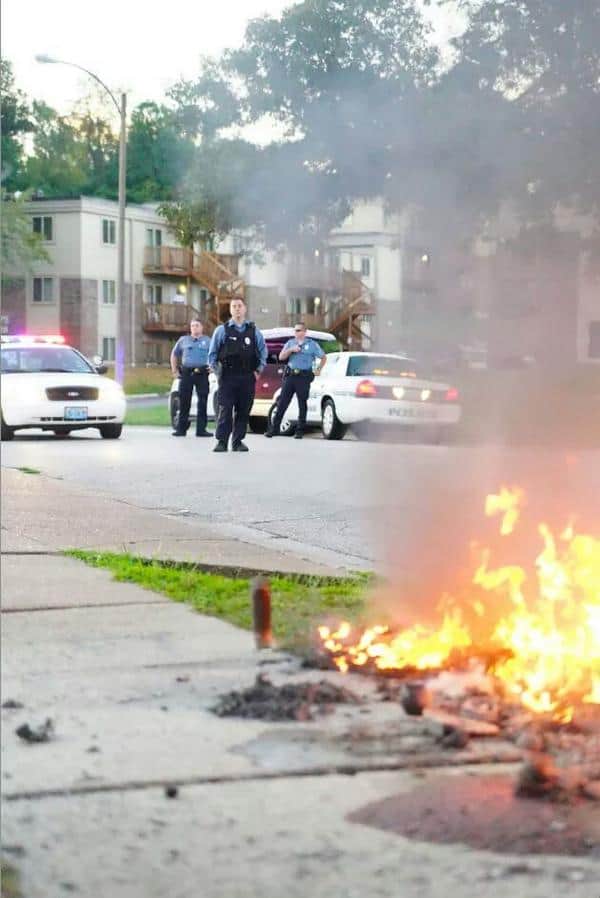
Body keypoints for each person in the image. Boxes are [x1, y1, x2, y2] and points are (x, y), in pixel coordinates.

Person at [208, 297, 267, 452]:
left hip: (247, 377)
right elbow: (212, 354)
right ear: (230, 310)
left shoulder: (254, 331)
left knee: (243, 410)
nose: (237, 309)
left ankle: (238, 441)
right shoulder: (222, 330)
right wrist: (217, 372)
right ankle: (222, 441)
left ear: (245, 308)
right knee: (225, 410)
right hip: (227, 376)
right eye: (234, 306)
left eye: (239, 306)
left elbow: (263, 351)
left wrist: (259, 370)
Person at [265, 322, 326, 439]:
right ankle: (274, 429)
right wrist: (291, 350)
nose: (296, 333)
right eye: (295, 331)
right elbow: (281, 357)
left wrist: (318, 369)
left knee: (302, 403)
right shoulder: (290, 343)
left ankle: (300, 430)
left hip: (304, 377)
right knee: (282, 402)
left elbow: (323, 357)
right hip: (291, 376)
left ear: (304, 332)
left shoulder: (312, 344)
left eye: (299, 330)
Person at [170, 319, 212, 437]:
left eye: (197, 325)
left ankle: (201, 429)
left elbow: (215, 354)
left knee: (202, 401)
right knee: (184, 401)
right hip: (187, 373)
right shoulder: (183, 340)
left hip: (202, 373)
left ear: (202, 327)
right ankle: (181, 429)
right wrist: (174, 370)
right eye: (192, 325)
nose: (194, 328)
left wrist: (213, 367)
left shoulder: (208, 341)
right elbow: (174, 354)